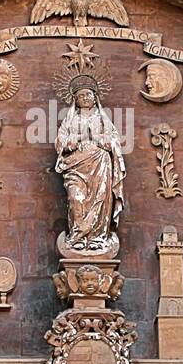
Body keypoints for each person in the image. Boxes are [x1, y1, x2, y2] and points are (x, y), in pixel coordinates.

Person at [55, 78, 125, 253]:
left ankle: (97, 238)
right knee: (75, 198)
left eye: (88, 94)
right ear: (76, 100)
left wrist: (103, 140)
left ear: (95, 97)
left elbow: (114, 141)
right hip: (75, 165)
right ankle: (78, 237)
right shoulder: (70, 120)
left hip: (100, 163)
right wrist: (72, 141)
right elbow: (60, 142)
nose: (85, 98)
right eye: (81, 96)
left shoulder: (102, 119)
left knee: (100, 199)